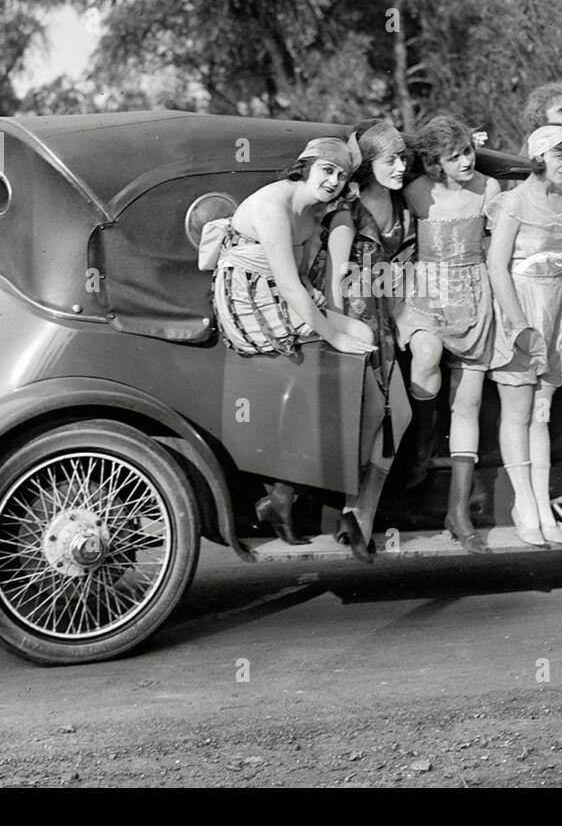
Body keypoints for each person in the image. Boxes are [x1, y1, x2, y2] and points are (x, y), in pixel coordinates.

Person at [204, 136, 376, 546]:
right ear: (305, 169)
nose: (333, 181)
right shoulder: (273, 205)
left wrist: (316, 301)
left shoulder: (312, 210)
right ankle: (287, 494)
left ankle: (284, 495)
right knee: (337, 353)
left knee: (362, 338)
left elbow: (295, 280)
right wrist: (332, 331)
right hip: (246, 299)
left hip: (278, 294)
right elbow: (285, 282)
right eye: (326, 171)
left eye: (340, 175)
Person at [487, 123, 562, 546]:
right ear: (538, 158)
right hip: (520, 308)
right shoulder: (514, 202)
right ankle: (524, 503)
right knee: (518, 411)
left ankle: (542, 504)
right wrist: (519, 325)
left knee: (542, 413)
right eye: (559, 155)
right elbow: (497, 267)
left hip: (555, 310)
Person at [311, 121, 415, 560]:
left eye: (403, 158)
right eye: (391, 160)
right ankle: (350, 511)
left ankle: (360, 512)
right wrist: (337, 332)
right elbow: (334, 276)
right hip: (352, 321)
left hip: (383, 319)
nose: (401, 167)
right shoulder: (346, 210)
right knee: (374, 416)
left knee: (399, 416)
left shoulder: (402, 209)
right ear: (369, 165)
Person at [398, 114, 501, 553]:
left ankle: (458, 511)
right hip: (425, 294)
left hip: (474, 295)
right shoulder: (416, 191)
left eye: (468, 151)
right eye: (454, 155)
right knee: (425, 354)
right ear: (435, 163)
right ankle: (421, 447)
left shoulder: (488, 190)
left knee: (469, 405)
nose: (466, 161)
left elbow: (497, 252)